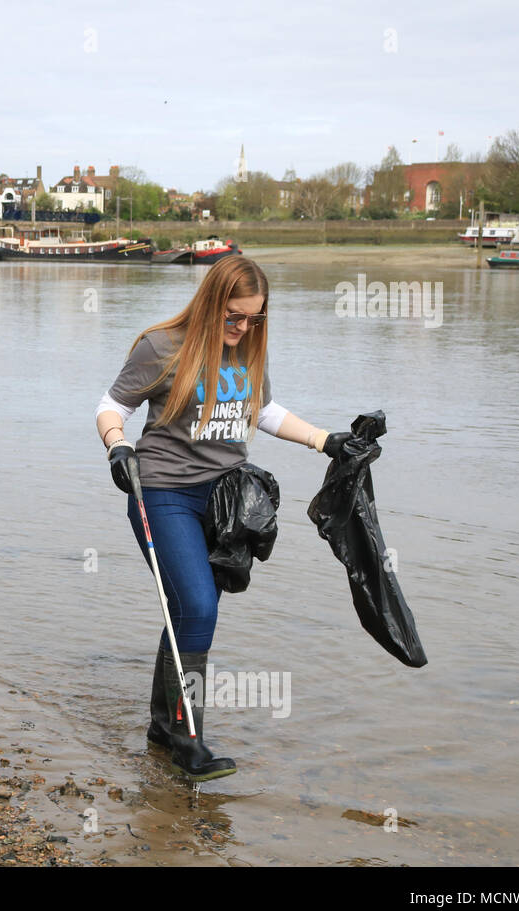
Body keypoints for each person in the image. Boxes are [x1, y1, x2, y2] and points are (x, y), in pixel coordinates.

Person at [94, 256, 351, 782]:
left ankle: (164, 726)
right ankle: (190, 741)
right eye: (234, 316)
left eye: (254, 318)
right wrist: (117, 446)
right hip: (163, 494)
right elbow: (111, 404)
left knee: (188, 611)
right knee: (198, 606)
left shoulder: (248, 348)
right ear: (212, 302)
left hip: (225, 502)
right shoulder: (163, 346)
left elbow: (266, 411)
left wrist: (329, 442)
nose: (243, 327)